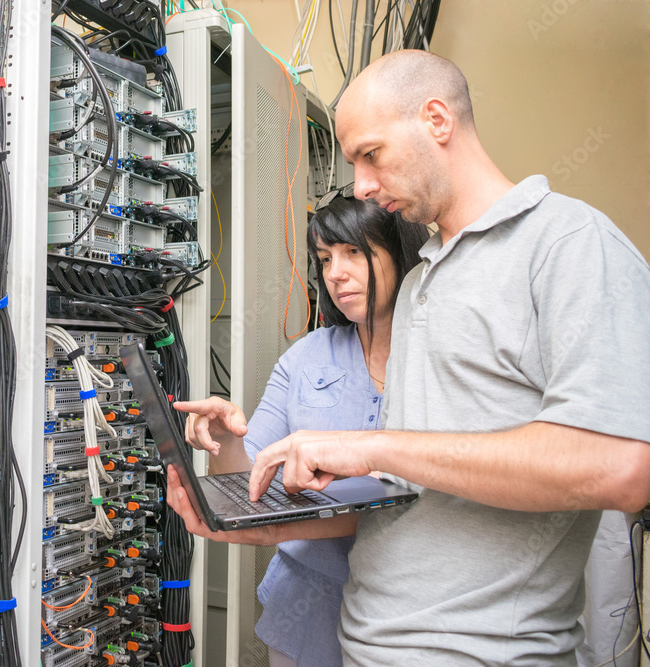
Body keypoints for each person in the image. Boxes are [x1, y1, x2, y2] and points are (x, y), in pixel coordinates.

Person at [167, 49, 650, 665]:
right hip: (364, 643)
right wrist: (244, 523)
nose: (362, 184)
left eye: (372, 154)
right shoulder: (424, 283)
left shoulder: (568, 246)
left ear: (437, 120)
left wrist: (371, 446)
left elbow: (620, 465)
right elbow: (405, 501)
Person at [174, 190, 427, 666]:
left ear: (399, 253)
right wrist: (227, 437)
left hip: (407, 609)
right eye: (325, 258)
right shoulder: (307, 357)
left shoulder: (440, 359)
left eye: (355, 252)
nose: (336, 273)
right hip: (305, 607)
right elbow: (250, 481)